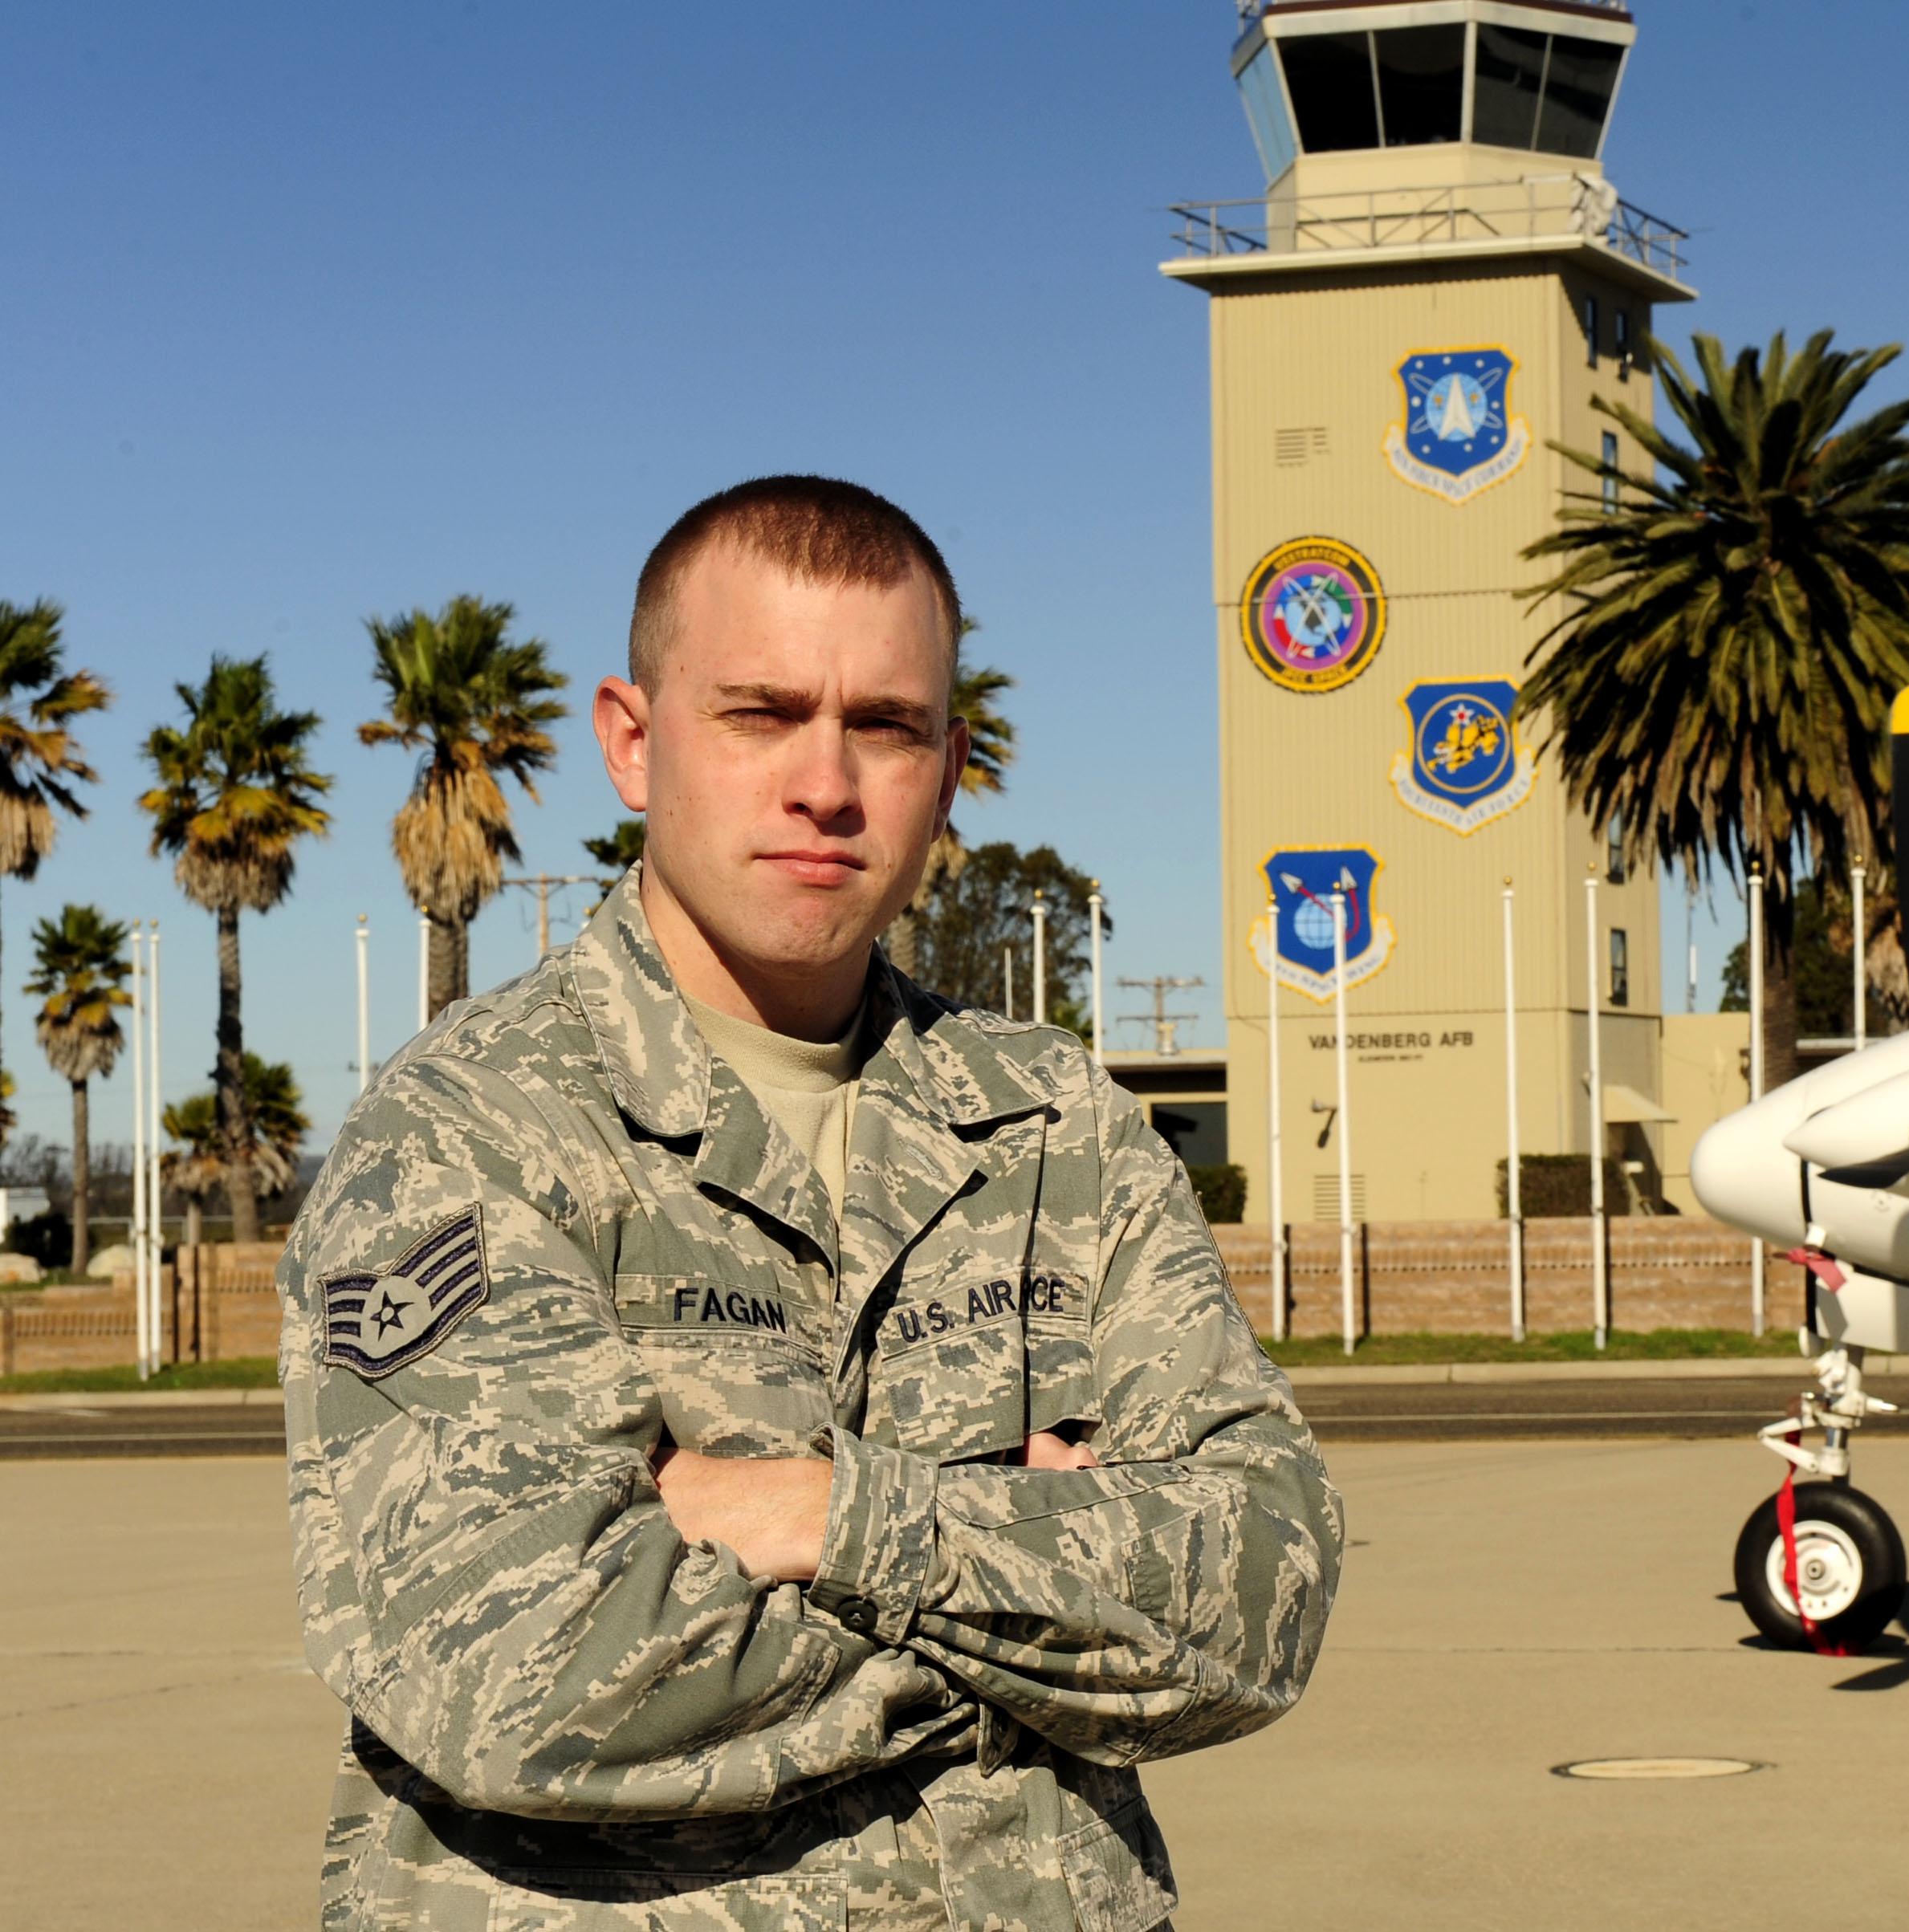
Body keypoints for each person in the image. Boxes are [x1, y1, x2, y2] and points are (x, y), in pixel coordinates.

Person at [280, 475, 1341, 1931]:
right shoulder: (474, 1129)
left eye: (885, 726)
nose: (827, 784)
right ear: (633, 743)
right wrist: (1039, 1578)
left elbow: (1259, 1597)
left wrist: (826, 1516)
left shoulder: (1053, 1127)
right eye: (762, 713)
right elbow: (514, 1675)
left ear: (950, 765)